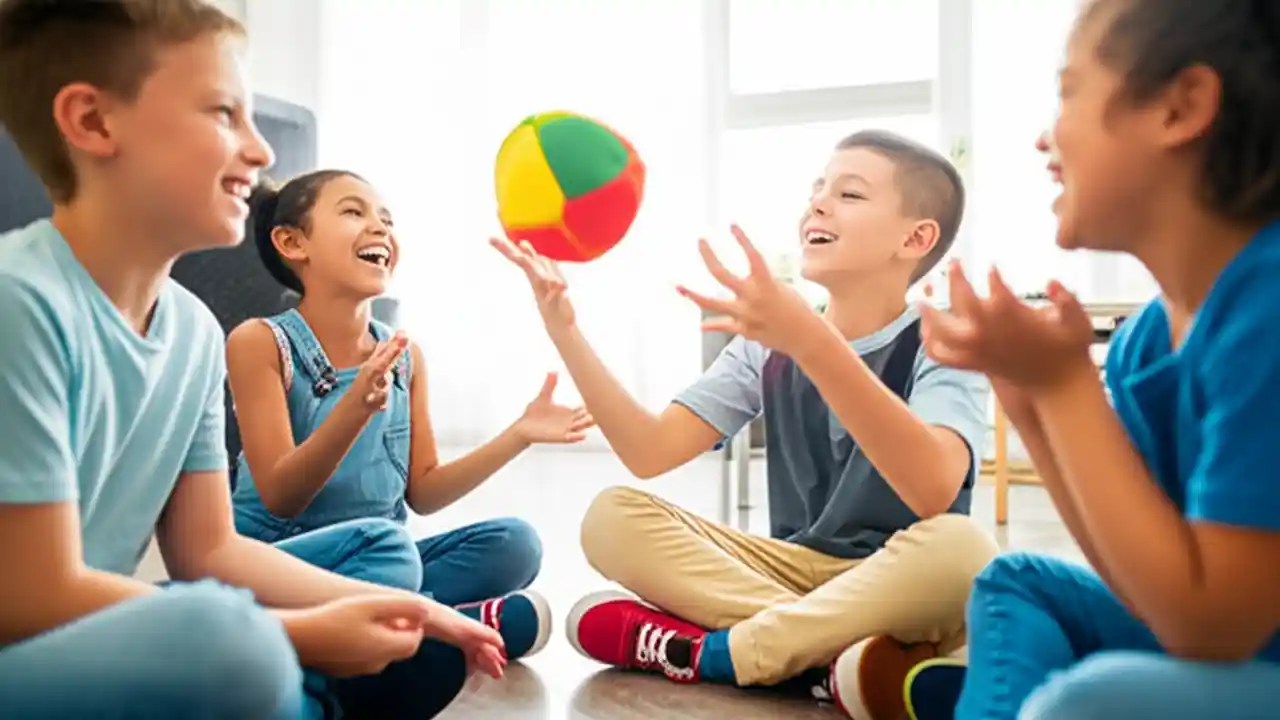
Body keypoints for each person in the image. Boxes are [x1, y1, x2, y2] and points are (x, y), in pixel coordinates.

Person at [0, 2, 504, 718]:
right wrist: (300, 633)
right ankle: (289, 686)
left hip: (110, 629)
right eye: (222, 114)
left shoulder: (195, 331)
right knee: (231, 640)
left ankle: (288, 691)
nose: (262, 152)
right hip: (23, 643)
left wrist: (411, 611)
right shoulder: (21, 303)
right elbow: (28, 596)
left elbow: (210, 554)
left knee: (393, 586)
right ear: (92, 122)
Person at [494, 129, 999, 720]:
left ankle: (710, 652)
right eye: (818, 189)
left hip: (900, 571)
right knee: (613, 517)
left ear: (916, 237)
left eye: (850, 194)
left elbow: (933, 487)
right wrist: (565, 330)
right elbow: (649, 451)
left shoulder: (944, 341)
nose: (818, 203)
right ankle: (840, 655)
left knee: (965, 551)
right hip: (794, 569)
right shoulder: (765, 348)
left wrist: (811, 342)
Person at [905, 0, 1280, 718]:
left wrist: (1065, 384)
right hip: (1227, 651)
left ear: (1181, 107)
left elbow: (1210, 627)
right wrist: (1030, 398)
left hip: (1239, 647)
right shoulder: (1147, 337)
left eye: (1070, 92)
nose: (1046, 138)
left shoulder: (1268, 302)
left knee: (1085, 703)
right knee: (1015, 580)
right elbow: (1142, 579)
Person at [229, 169, 591, 660]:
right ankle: (443, 625)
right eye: (354, 212)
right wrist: (354, 408)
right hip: (281, 562)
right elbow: (281, 496)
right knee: (389, 548)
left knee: (515, 543)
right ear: (293, 242)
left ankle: (403, 623)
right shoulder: (259, 342)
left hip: (378, 565)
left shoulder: (404, 355)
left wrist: (519, 434)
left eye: (386, 219)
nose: (380, 229)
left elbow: (423, 491)